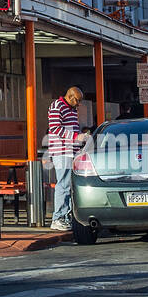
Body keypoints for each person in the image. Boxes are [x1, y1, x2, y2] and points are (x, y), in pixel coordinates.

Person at [47, 86, 83, 232]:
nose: (79, 104)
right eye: (78, 101)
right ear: (71, 97)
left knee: (68, 186)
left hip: (70, 151)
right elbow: (55, 127)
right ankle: (58, 218)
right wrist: (76, 137)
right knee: (63, 185)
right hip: (62, 151)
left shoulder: (71, 109)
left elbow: (72, 128)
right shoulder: (58, 106)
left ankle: (64, 217)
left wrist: (79, 142)